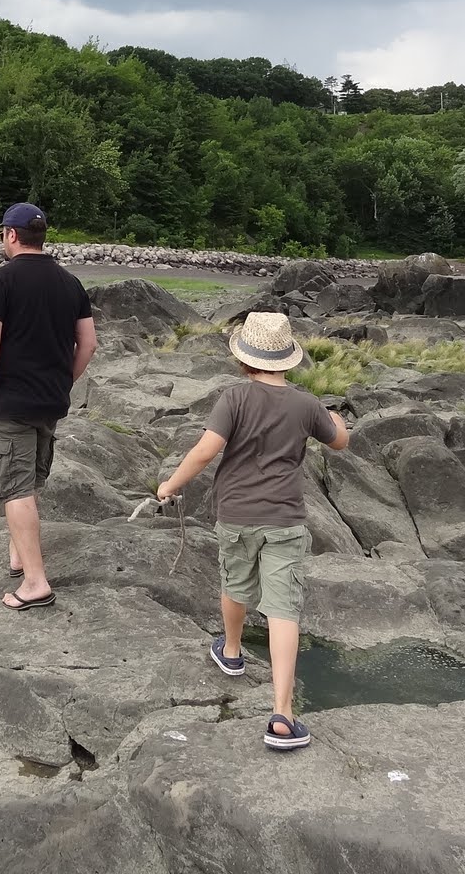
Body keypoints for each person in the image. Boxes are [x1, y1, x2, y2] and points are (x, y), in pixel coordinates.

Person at [155, 312, 349, 750]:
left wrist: (170, 485)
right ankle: (282, 714)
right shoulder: (305, 404)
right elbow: (339, 442)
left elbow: (205, 451)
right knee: (283, 608)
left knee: (236, 583)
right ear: (288, 360)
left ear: (246, 360)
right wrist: (336, 419)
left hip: (237, 515)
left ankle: (232, 652)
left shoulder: (234, 398)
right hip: (285, 519)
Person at [0, 202, 98, 610]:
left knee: (15, 486)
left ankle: (35, 582)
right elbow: (89, 344)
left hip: (12, 401)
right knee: (30, 482)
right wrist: (65, 381)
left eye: (1, 234)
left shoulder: (0, 280)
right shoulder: (70, 282)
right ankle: (17, 555)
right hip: (50, 401)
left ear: (10, 235)